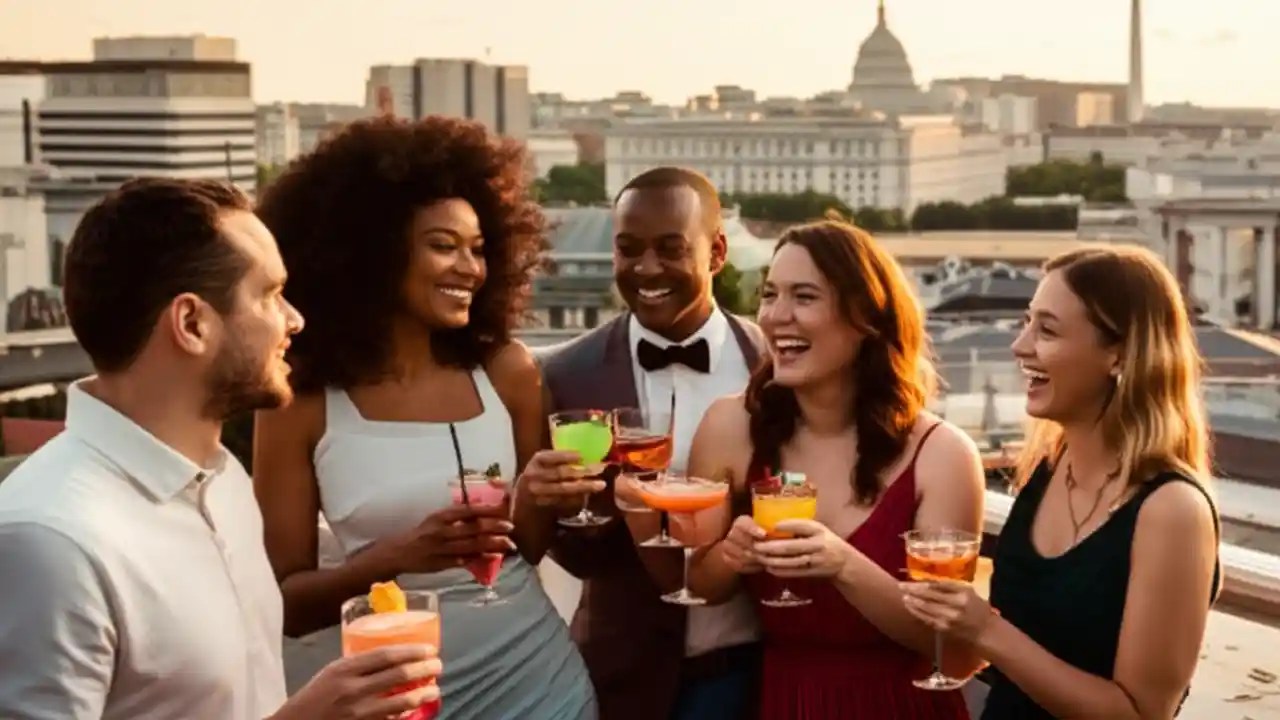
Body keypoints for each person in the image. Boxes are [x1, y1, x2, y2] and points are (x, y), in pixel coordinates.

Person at [0, 178, 440, 720]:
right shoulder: (49, 541)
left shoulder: (222, 477)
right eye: (270, 295)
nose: (294, 320)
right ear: (192, 324)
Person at [252, 116, 595, 719]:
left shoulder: (508, 372)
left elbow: (526, 551)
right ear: (375, 253)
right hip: (400, 698)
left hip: (540, 682)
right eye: (444, 245)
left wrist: (541, 498)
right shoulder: (302, 402)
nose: (471, 268)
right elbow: (285, 604)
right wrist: (396, 556)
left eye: (480, 249)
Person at [901, 245, 1221, 719]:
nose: (1020, 345)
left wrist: (986, 631)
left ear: (1119, 355)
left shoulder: (1171, 509)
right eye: (1026, 322)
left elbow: (1141, 713)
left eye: (1046, 330)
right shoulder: (1047, 470)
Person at [686, 219, 987, 719]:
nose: (777, 317)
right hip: (786, 700)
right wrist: (729, 555)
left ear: (865, 317)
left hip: (902, 704)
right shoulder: (730, 425)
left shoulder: (943, 454)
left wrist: (843, 565)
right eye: (770, 294)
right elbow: (699, 584)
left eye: (804, 297)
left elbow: (947, 646)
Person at [524, 167, 766, 720]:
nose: (646, 269)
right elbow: (570, 549)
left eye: (670, 249)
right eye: (628, 250)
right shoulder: (566, 373)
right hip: (621, 675)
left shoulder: (771, 364)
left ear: (718, 252)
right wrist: (561, 507)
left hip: (753, 668)